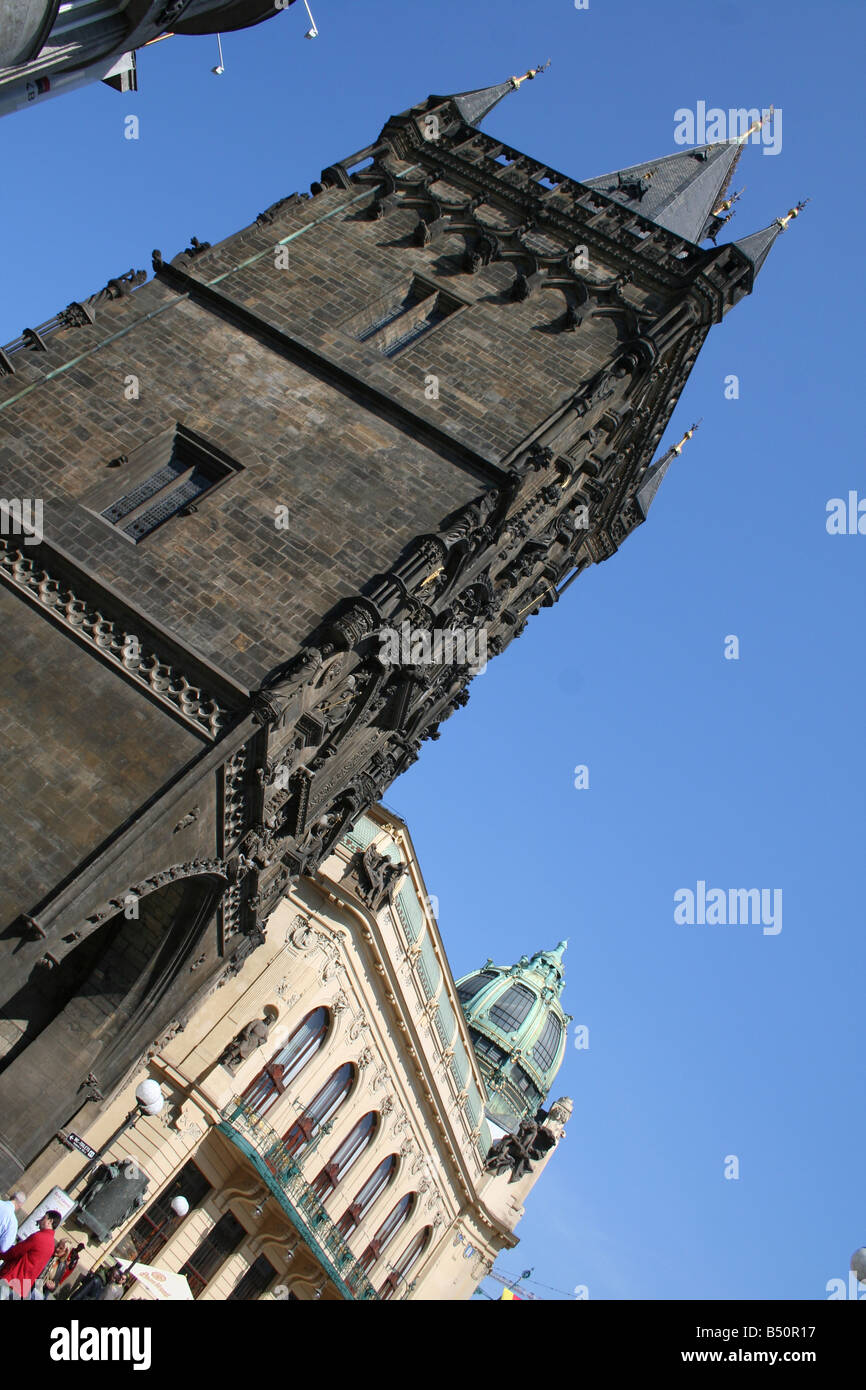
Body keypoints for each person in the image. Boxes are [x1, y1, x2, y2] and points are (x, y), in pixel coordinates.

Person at [0, 1210, 61, 1299]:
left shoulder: (38, 1237)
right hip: (23, 1286)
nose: (41, 1220)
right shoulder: (52, 1244)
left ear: (50, 1221)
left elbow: (15, 1252)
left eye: (44, 1217)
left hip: (12, 1278)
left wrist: (2, 1254)